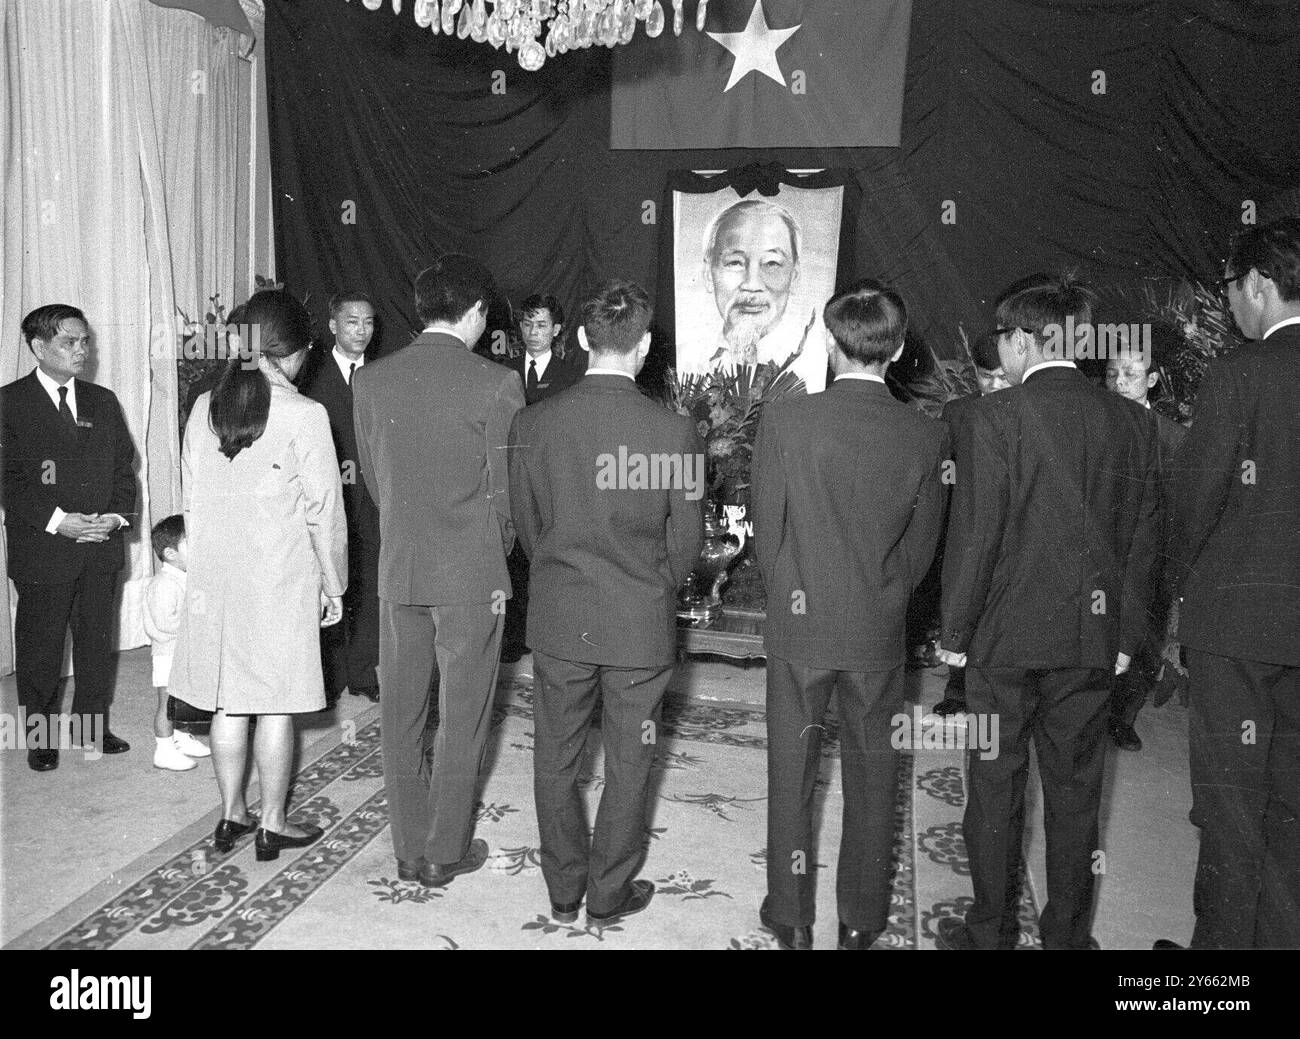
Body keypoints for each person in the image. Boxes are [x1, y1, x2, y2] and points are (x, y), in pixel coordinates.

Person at [935, 273, 1160, 951]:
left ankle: (990, 933)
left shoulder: (992, 419)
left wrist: (954, 633)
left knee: (995, 790)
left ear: (1030, 338)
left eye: (1004, 334)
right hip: (1090, 643)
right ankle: (1067, 937)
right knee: (1075, 794)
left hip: (1002, 640)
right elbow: (1142, 538)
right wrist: (1124, 635)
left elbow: (977, 535)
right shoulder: (1130, 422)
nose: (999, 348)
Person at [752, 281, 948, 950]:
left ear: (831, 346)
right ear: (896, 351)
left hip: (800, 626)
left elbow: (765, 531)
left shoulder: (786, 420)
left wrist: (791, 597)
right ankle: (861, 919)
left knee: (790, 774)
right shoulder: (927, 435)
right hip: (876, 630)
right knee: (874, 776)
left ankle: (791, 914)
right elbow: (923, 552)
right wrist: (886, 598)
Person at [509, 279, 703, 928]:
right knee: (630, 760)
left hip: (561, 616)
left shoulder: (532, 422)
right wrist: (653, 586)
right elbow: (687, 545)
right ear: (644, 345)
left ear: (582, 339)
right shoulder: (675, 433)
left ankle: (563, 891)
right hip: (639, 623)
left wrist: (563, 575)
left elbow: (528, 528)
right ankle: (607, 892)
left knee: (555, 757)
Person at [353, 255, 525, 887]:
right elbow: (507, 491)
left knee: (399, 714)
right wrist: (492, 547)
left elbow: (375, 481)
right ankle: (444, 851)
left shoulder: (371, 381)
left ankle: (407, 847)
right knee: (463, 714)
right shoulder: (497, 382)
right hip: (471, 575)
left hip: (399, 569)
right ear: (477, 312)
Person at [1161, 217, 1300, 950]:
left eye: (1233, 291)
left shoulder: (1241, 373)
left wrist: (1171, 591)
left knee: (1230, 809)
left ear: (1260, 285)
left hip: (1235, 629)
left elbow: (1194, 499)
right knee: (1291, 811)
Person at [170, 290, 346, 860]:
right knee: (276, 703)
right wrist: (334, 584)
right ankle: (273, 823)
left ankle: (230, 816)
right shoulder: (304, 414)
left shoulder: (203, 408)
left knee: (228, 702)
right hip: (280, 579)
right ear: (290, 350)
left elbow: (191, 500)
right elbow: (325, 514)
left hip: (214, 577)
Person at [1, 304, 136, 771]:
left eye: (85, 341)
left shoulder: (102, 401)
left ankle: (91, 728)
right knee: (41, 649)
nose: (83, 350)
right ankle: (39, 735)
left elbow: (125, 470)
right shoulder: (8, 403)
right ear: (39, 348)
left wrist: (116, 518)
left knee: (97, 644)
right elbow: (8, 481)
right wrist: (60, 520)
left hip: (100, 547)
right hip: (43, 551)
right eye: (70, 342)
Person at [1103, 326, 1186, 751]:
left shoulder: (1170, 437)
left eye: (1130, 374)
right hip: (1099, 551)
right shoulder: (1093, 422)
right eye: (1112, 373)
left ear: (1152, 379)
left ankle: (1122, 717)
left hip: (1149, 558)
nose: (1119, 382)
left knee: (1143, 639)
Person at [298, 291, 381, 706]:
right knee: (327, 580)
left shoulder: (384, 375)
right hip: (324, 495)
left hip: (372, 495)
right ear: (333, 325)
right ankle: (329, 676)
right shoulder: (309, 374)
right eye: (352, 322)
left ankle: (365, 671)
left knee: (367, 580)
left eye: (367, 322)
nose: (361, 330)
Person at [500, 294, 587, 664]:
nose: (533, 332)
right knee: (515, 558)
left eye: (541, 325)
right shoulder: (503, 373)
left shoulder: (572, 376)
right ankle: (514, 638)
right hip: (515, 476)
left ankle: (554, 635)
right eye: (526, 324)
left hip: (554, 478)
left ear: (556, 329)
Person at [932, 330, 1014, 717]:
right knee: (962, 605)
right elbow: (945, 470)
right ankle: (957, 688)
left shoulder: (1025, 411)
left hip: (1012, 528)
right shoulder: (958, 411)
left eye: (1002, 376)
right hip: (966, 524)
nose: (995, 385)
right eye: (986, 377)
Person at [697, 198, 829, 391]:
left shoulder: (816, 362)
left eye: (771, 263)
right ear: (709, 273)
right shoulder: (688, 361)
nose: (752, 284)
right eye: (735, 263)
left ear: (794, 276)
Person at [143, 514, 211, 771]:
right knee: (168, 703)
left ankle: (181, 738)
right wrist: (197, 623)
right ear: (171, 554)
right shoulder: (163, 583)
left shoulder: (185, 578)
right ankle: (163, 749)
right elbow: (164, 623)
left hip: (185, 651)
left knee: (185, 700)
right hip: (168, 654)